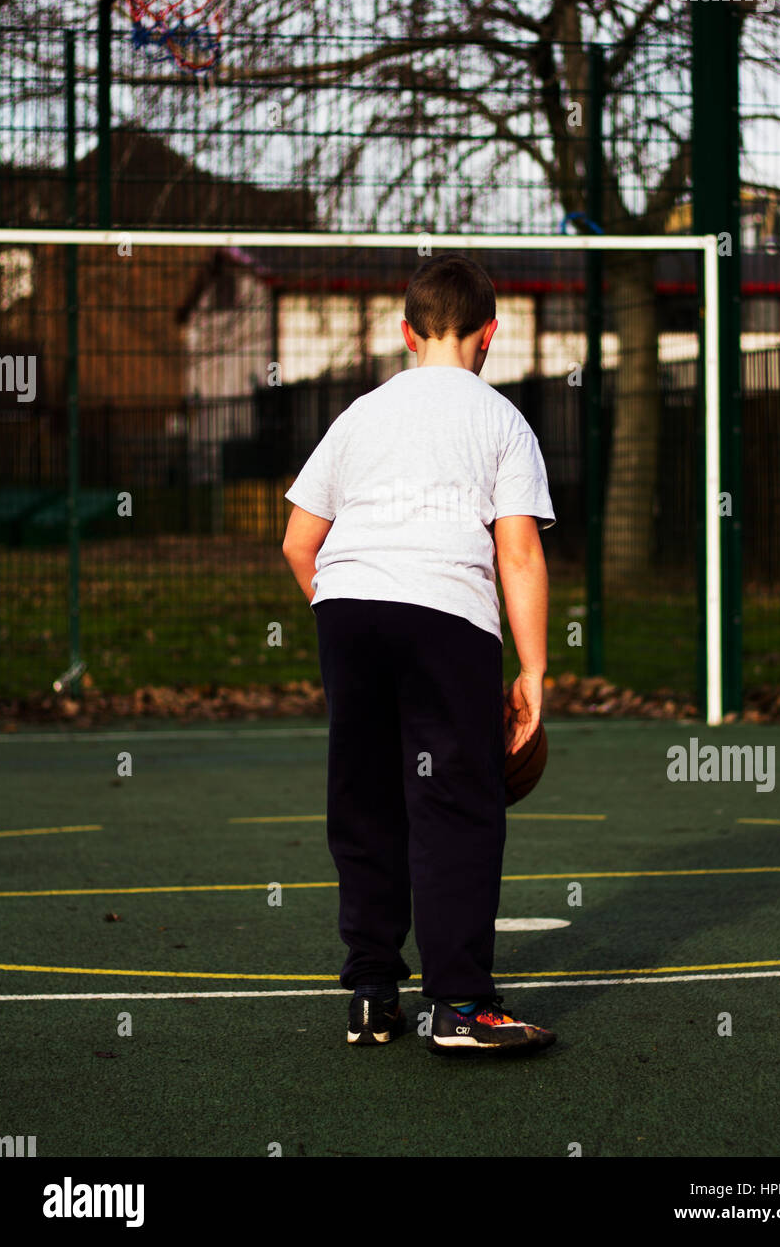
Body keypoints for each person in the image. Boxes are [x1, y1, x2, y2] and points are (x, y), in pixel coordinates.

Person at [282, 251, 556, 1055]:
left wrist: (348, 609)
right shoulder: (502, 419)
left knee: (366, 797)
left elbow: (300, 540)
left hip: (348, 606)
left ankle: (372, 992)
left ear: (406, 333)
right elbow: (519, 555)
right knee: (457, 804)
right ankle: (463, 1007)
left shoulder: (360, 413)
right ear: (490, 335)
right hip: (446, 615)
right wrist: (533, 671)